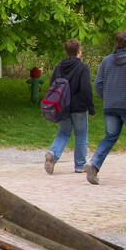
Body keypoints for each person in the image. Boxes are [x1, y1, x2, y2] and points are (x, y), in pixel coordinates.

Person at [87, 29, 126, 184]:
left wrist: (107, 97)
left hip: (110, 106)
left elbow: (98, 84)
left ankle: (94, 164)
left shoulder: (106, 61)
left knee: (110, 136)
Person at [44, 38, 93, 174]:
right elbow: (86, 89)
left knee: (63, 132)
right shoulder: (83, 68)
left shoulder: (59, 66)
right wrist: (91, 107)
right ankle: (80, 165)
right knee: (81, 135)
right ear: (79, 51)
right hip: (79, 107)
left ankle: (53, 154)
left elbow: (52, 84)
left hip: (62, 106)